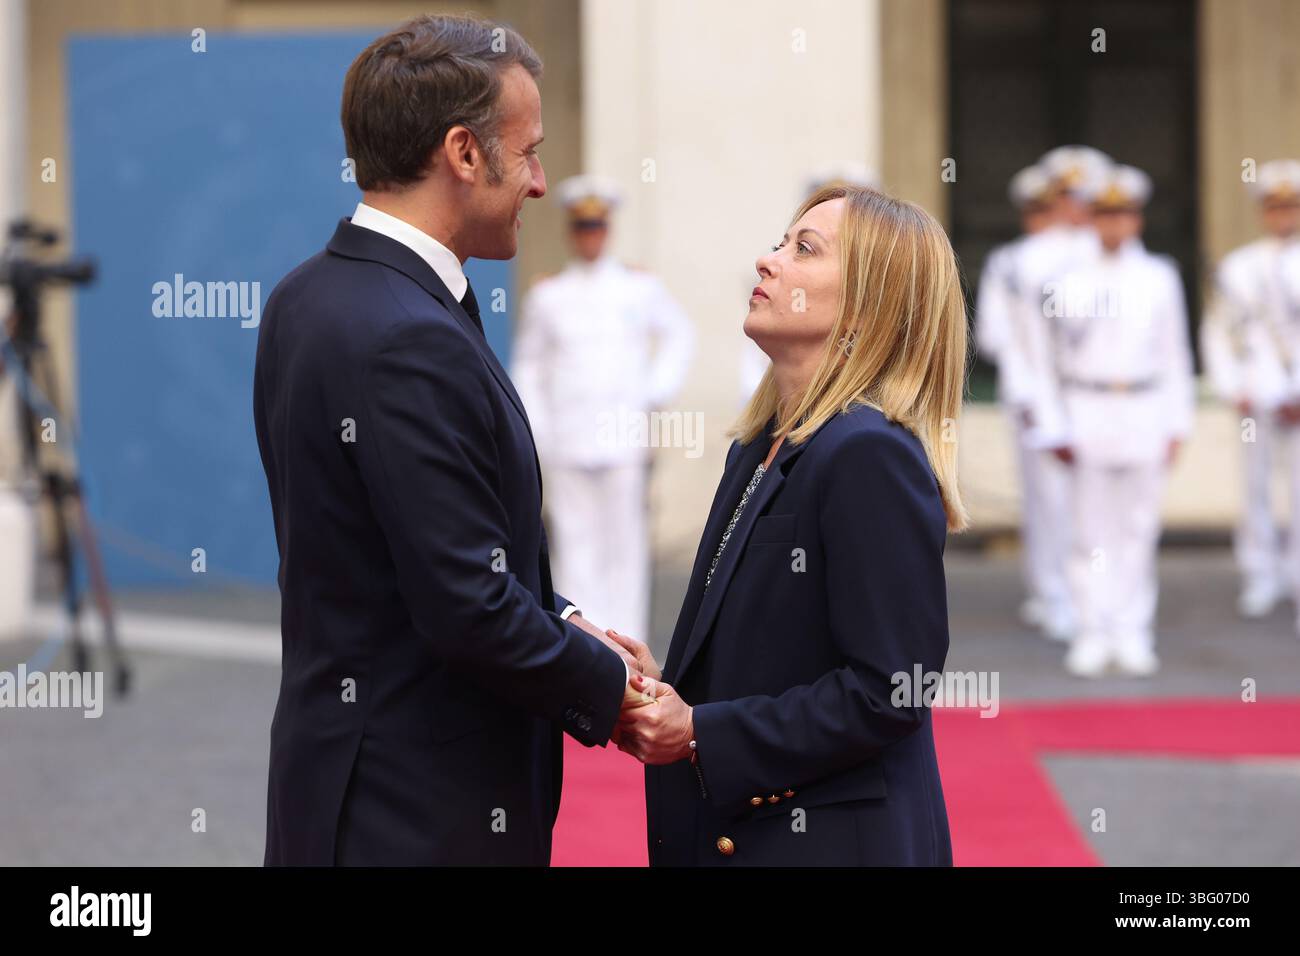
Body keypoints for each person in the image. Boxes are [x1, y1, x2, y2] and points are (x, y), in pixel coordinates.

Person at [252, 14, 657, 866]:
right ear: (466, 154)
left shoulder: (309, 294)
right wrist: (614, 689)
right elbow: (466, 605)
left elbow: (418, 556)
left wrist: (568, 623)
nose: (542, 183)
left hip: (346, 787)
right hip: (417, 812)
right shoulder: (407, 332)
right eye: (530, 151)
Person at [612, 185, 967, 866]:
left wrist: (700, 733)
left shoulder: (867, 452)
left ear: (870, 303)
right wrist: (674, 686)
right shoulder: (762, 444)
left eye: (803, 250)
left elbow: (893, 691)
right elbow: (782, 647)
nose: (766, 261)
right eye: (781, 242)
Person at [512, 174, 694, 644]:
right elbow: (529, 366)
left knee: (625, 550)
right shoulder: (548, 295)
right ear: (572, 232)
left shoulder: (637, 288)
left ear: (607, 229)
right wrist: (540, 430)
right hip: (569, 440)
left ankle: (628, 647)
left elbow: (679, 334)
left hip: (623, 437)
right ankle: (585, 645)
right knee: (575, 548)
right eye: (582, 228)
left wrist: (653, 392)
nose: (590, 236)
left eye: (597, 227)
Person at [1044, 166, 1195, 677]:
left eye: (1123, 214)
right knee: (1087, 529)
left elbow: (1176, 354)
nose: (1114, 224)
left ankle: (1132, 631)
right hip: (1086, 404)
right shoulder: (1069, 278)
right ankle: (1092, 629)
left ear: (1137, 220)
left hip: (1144, 407)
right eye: (1105, 214)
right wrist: (1054, 423)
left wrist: (1178, 422)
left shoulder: (1159, 275)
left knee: (1137, 528)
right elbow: (1049, 359)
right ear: (1091, 218)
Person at [998, 145, 1113, 643]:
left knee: (1100, 502)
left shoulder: (1111, 254)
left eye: (1087, 195)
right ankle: (1055, 593)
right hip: (1044, 395)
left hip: (1103, 396)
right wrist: (1031, 401)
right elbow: (1018, 341)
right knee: (1048, 502)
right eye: (1068, 195)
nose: (1077, 205)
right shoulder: (1028, 258)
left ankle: (1102, 597)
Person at [1202, 159, 1300, 620]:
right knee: (1255, 488)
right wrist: (1232, 386)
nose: (1283, 215)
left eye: (1291, 206)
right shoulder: (1240, 266)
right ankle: (1261, 574)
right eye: (1275, 207)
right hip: (1256, 393)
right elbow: (1219, 332)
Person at [975, 163, 1057, 632]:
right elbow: (994, 334)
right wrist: (1029, 388)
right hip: (1033, 395)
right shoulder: (1010, 263)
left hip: (1091, 400)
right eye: (1040, 209)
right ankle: (1051, 591)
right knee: (1042, 499)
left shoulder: (1094, 258)